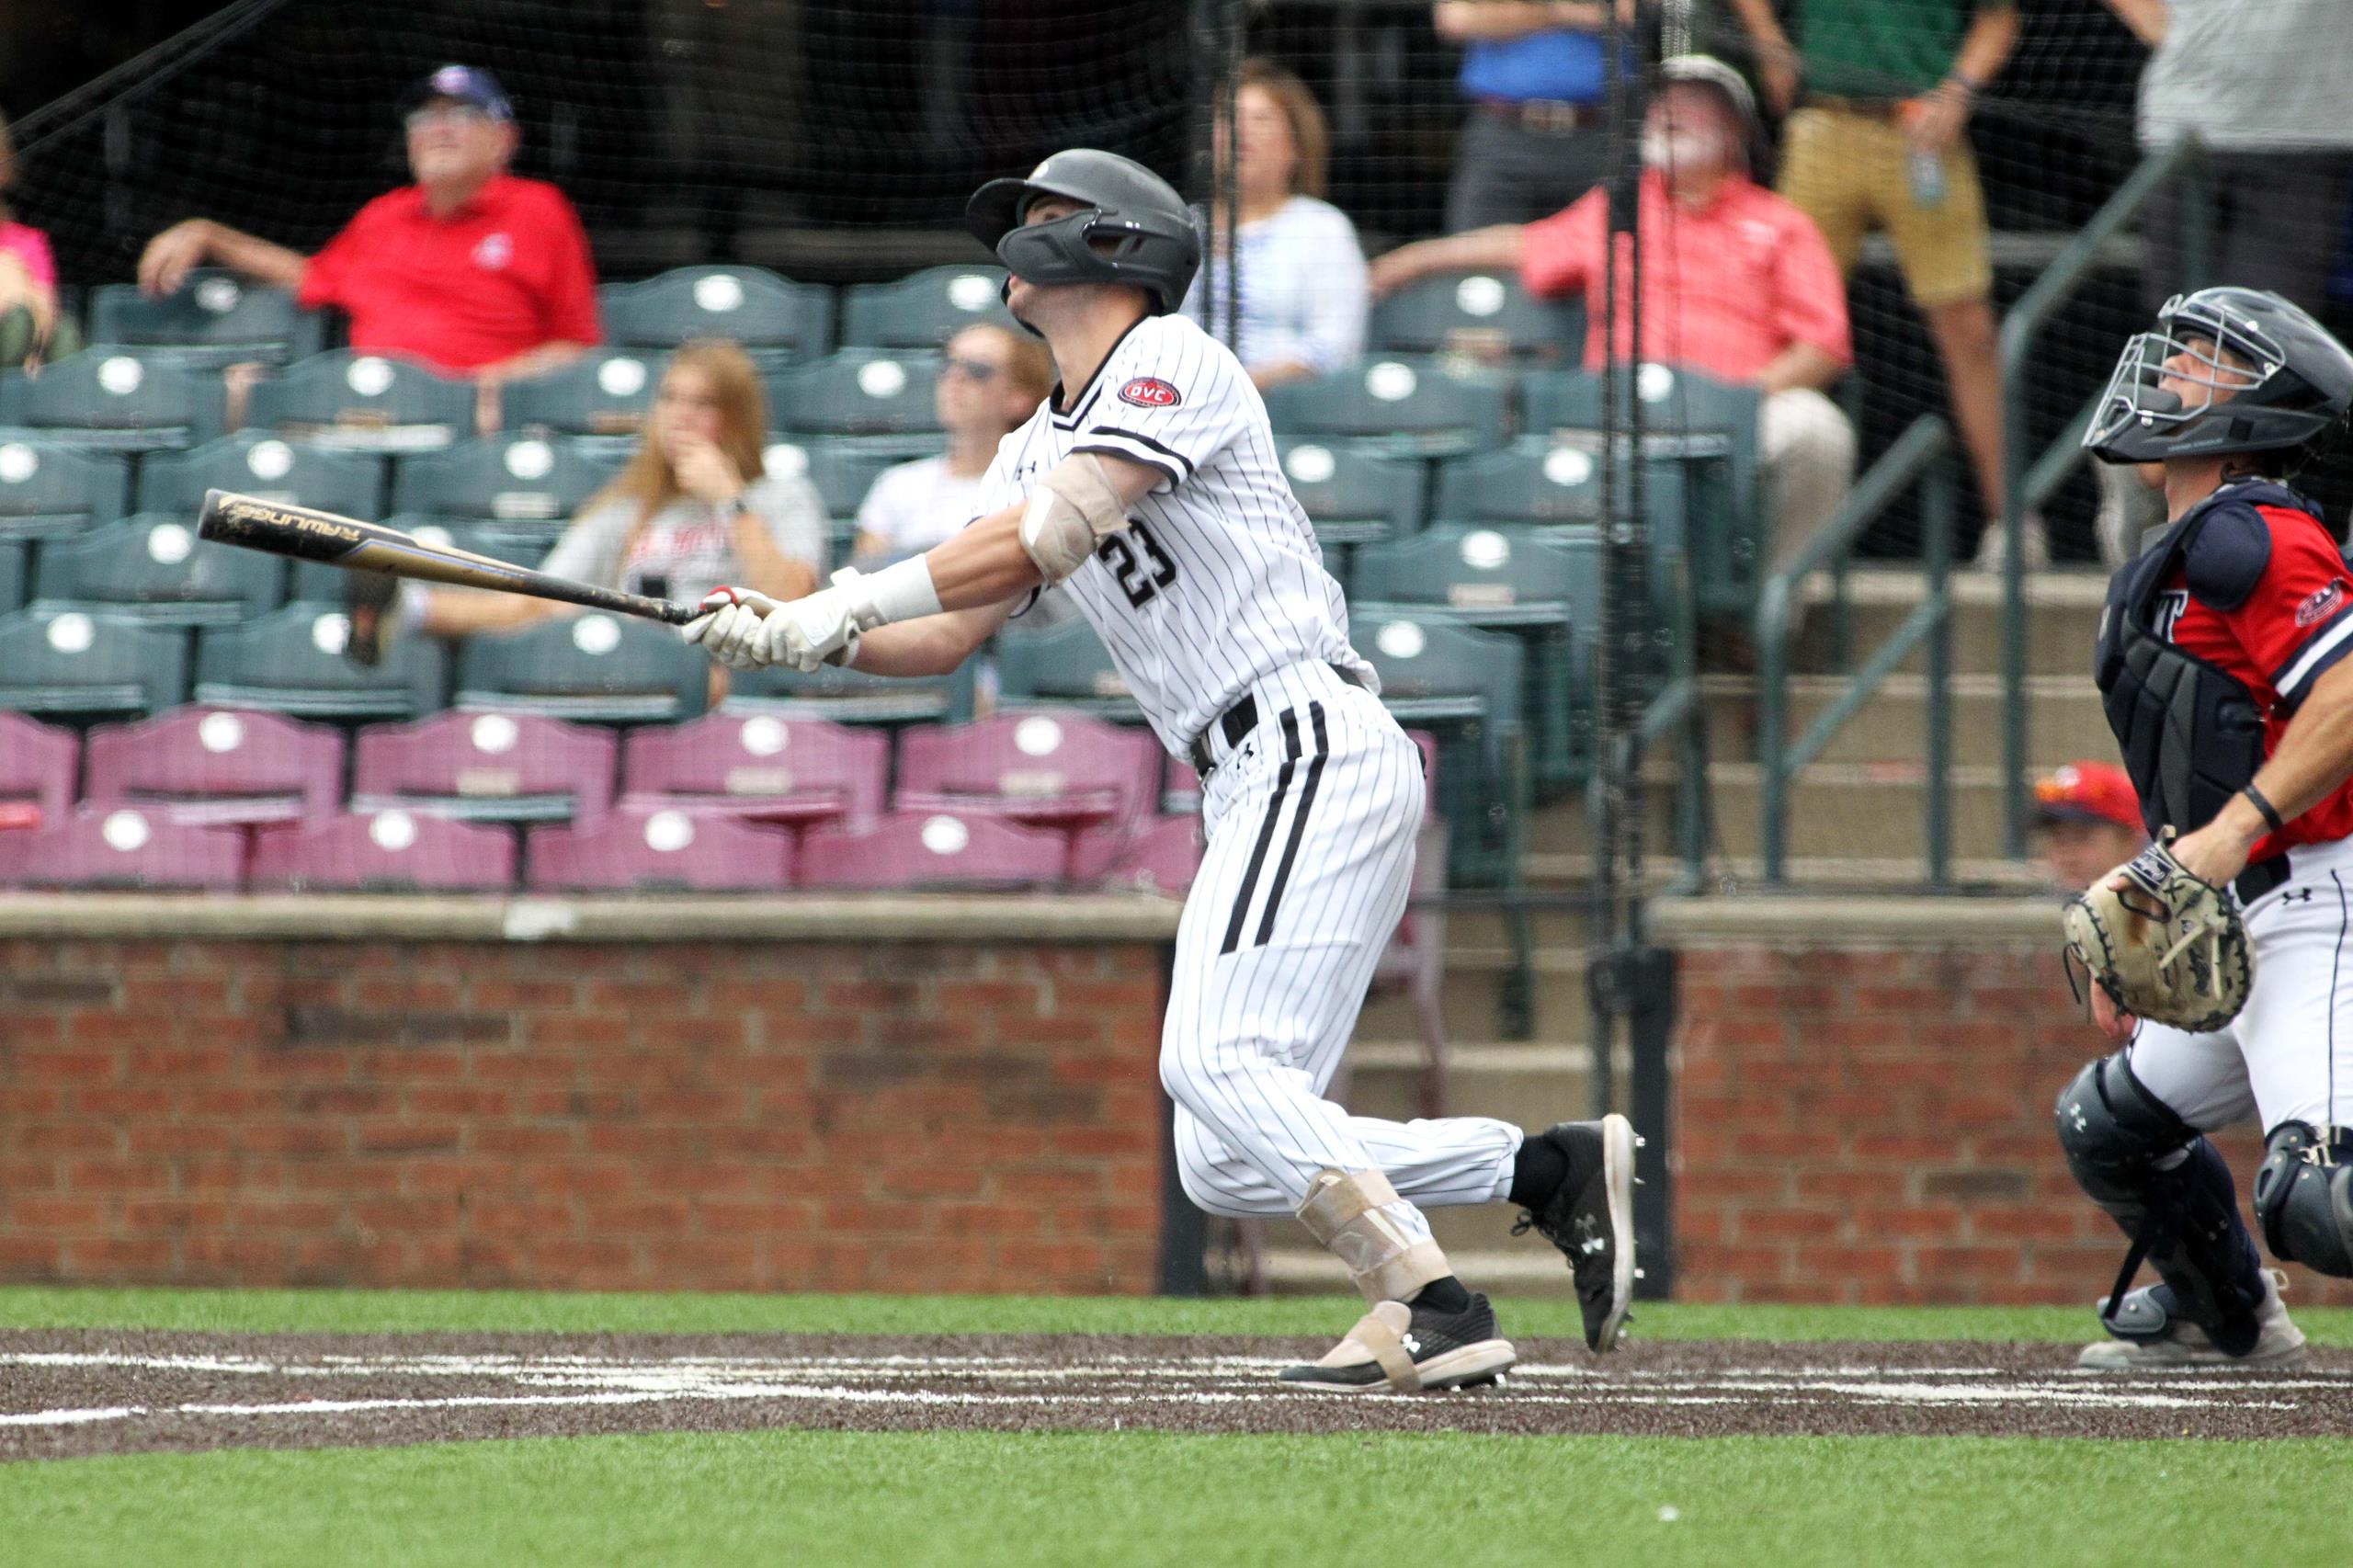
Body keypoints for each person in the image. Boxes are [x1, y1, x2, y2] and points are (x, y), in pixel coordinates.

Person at [681, 148, 1641, 1391]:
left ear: (1112, 243)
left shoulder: (1171, 359)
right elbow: (946, 634)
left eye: (1044, 215)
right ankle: (1542, 1171)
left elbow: (1052, 532)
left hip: (1303, 737)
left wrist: (844, 594)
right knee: (1226, 1152)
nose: (1019, 238)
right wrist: (799, 636)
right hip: (1247, 775)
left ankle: (1430, 1297)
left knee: (1211, 1062)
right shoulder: (1029, 443)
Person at [2057, 285, 2353, 1372]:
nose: (2169, 369)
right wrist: (2157, 885)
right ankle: (2222, 1316)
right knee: (2112, 1122)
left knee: (2321, 1200)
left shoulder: (2254, 525)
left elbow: (2348, 692)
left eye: (2202, 357)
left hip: (2321, 886)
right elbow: (2210, 747)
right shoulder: (2191, 544)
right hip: (2249, 898)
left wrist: (2233, 834)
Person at [1369, 56, 1856, 577]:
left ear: (1734, 127)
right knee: (1519, 446)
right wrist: (1413, 257)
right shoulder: (1615, 207)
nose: (1671, 113)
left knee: (1817, 431)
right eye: (1663, 102)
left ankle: (1765, 611)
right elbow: (1522, 243)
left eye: (1695, 104)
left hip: (1745, 411)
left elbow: (1824, 345)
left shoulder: (1781, 223)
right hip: (1619, 411)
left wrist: (1741, 399)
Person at [1726, 0, 2025, 568]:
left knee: (1970, 332)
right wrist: (1769, 40)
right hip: (1822, 123)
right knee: (1771, 322)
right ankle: (1751, 540)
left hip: (1921, 132)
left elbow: (1998, 15)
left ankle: (2010, 523)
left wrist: (1959, 90)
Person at [135, 66, 598, 389]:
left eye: (460, 115)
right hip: (365, 409)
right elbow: (311, 275)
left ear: (504, 140)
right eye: (424, 118)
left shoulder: (539, 210)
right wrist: (208, 235)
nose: (438, 130)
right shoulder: (383, 215)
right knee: (245, 388)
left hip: (476, 418)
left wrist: (481, 387)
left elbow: (574, 349)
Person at [2092, 0, 2353, 564]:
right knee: (2188, 353)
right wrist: (2170, 30)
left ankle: (2221, 548)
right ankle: (2149, 495)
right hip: (2182, 132)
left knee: (2262, 368)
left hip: (2302, 137)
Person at [375, 340, 822, 646]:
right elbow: (538, 604)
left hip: (734, 675)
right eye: (669, 399)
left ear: (737, 417)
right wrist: (413, 608)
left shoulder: (782, 498)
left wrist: (730, 500)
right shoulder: (625, 509)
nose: (679, 417)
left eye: (701, 403)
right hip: (637, 677)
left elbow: (790, 604)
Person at [1181, 60, 1368, 392]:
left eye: (1261, 119)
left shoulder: (1322, 228)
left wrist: (1240, 388)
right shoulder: (1184, 223)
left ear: (1296, 145)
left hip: (1289, 414)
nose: (1242, 132)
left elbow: (1335, 348)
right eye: (1229, 118)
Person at [852, 324, 1053, 560]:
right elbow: (865, 583)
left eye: (978, 370)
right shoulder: (897, 485)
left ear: (1019, 398)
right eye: (948, 364)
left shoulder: (1042, 488)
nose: (955, 378)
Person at [1433, 1, 1630, 231]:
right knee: (1478, 255)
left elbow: (1626, 12)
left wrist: (1522, 12)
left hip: (1598, 135)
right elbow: (1457, 18)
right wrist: (1565, 11)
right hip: (1503, 134)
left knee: (1607, 254)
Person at [0, 108, 75, 369]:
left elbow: (45, 321)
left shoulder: (27, 243)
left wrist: (16, 278)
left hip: (24, 365)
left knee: (64, 331)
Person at [2031, 760, 2144, 893]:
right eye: (2058, 839)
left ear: (2128, 840)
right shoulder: (2047, 906)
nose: (2067, 853)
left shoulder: (2159, 908)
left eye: (2082, 837)